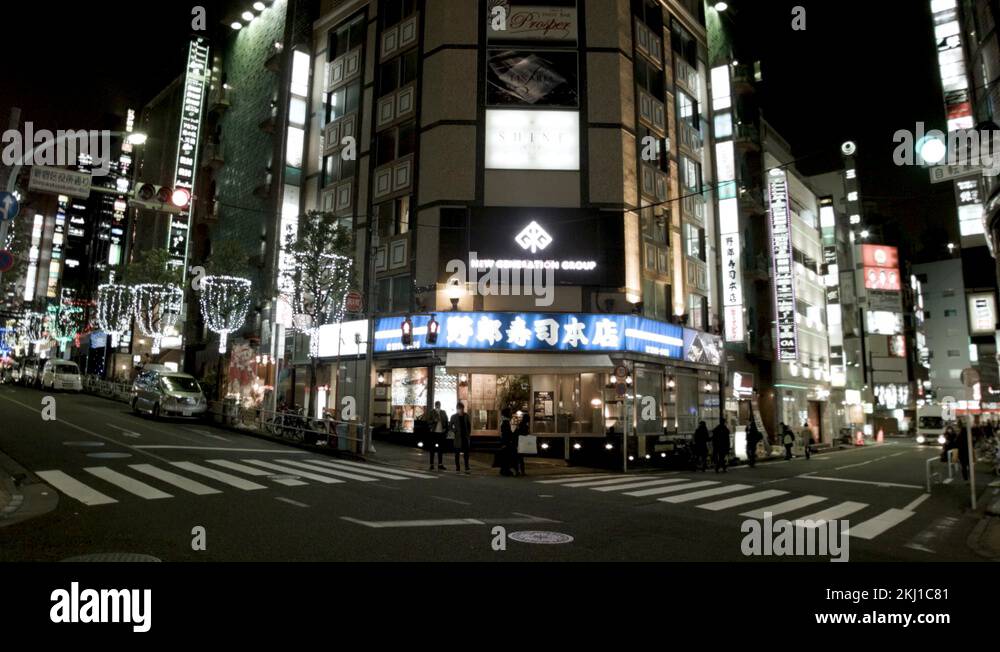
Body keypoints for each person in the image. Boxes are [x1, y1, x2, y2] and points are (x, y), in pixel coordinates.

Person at [449, 402, 472, 474]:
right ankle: (457, 467)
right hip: (458, 437)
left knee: (466, 453)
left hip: (465, 437)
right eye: (459, 409)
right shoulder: (453, 416)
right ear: (457, 409)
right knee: (457, 453)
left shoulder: (466, 416)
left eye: (462, 409)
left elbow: (469, 425)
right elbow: (450, 426)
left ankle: (467, 466)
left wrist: (468, 433)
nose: (461, 410)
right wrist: (454, 431)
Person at [426, 401, 448, 471]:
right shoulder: (432, 412)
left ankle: (440, 464)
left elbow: (446, 421)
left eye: (439, 405)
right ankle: (431, 464)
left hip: (441, 432)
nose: (438, 406)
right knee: (432, 449)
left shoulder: (443, 412)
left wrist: (445, 428)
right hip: (434, 432)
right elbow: (428, 421)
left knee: (440, 449)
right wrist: (434, 421)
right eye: (437, 405)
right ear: (435, 405)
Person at [498, 408, 517, 476]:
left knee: (505, 456)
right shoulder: (506, 422)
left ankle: (504, 470)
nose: (511, 414)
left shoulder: (503, 421)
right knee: (507, 456)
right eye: (510, 412)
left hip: (504, 441)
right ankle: (505, 470)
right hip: (506, 442)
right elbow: (506, 433)